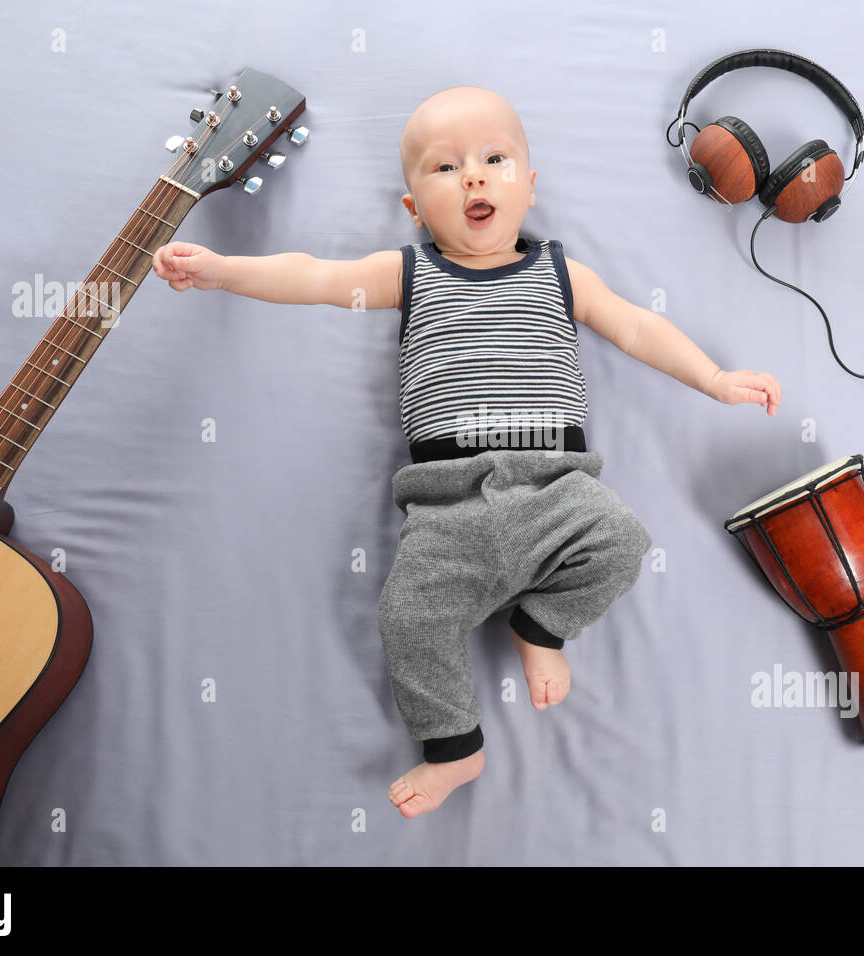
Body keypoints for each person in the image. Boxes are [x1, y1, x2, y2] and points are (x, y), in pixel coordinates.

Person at [150, 85, 781, 819]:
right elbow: (317, 277)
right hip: (447, 505)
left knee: (624, 542)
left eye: (493, 159)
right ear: (415, 208)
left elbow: (638, 328)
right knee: (408, 620)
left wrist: (715, 378)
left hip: (556, 488)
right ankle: (455, 749)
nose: (473, 177)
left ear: (529, 186)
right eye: (445, 169)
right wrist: (224, 269)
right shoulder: (407, 273)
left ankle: (539, 626)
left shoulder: (562, 275)